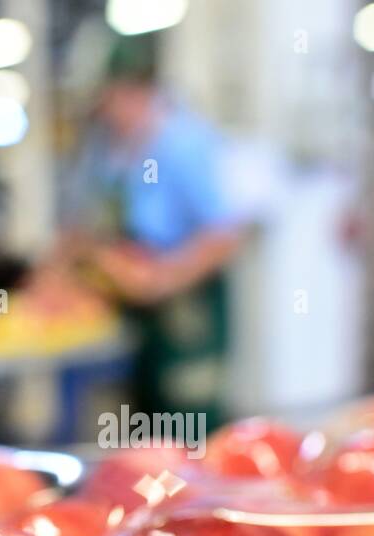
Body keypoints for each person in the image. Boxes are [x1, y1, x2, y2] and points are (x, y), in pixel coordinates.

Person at [58, 34, 244, 428]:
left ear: (134, 90)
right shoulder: (107, 148)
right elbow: (86, 224)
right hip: (135, 316)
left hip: (186, 313)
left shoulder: (183, 142)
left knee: (190, 426)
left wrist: (161, 279)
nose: (104, 111)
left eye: (109, 99)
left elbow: (225, 233)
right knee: (143, 426)